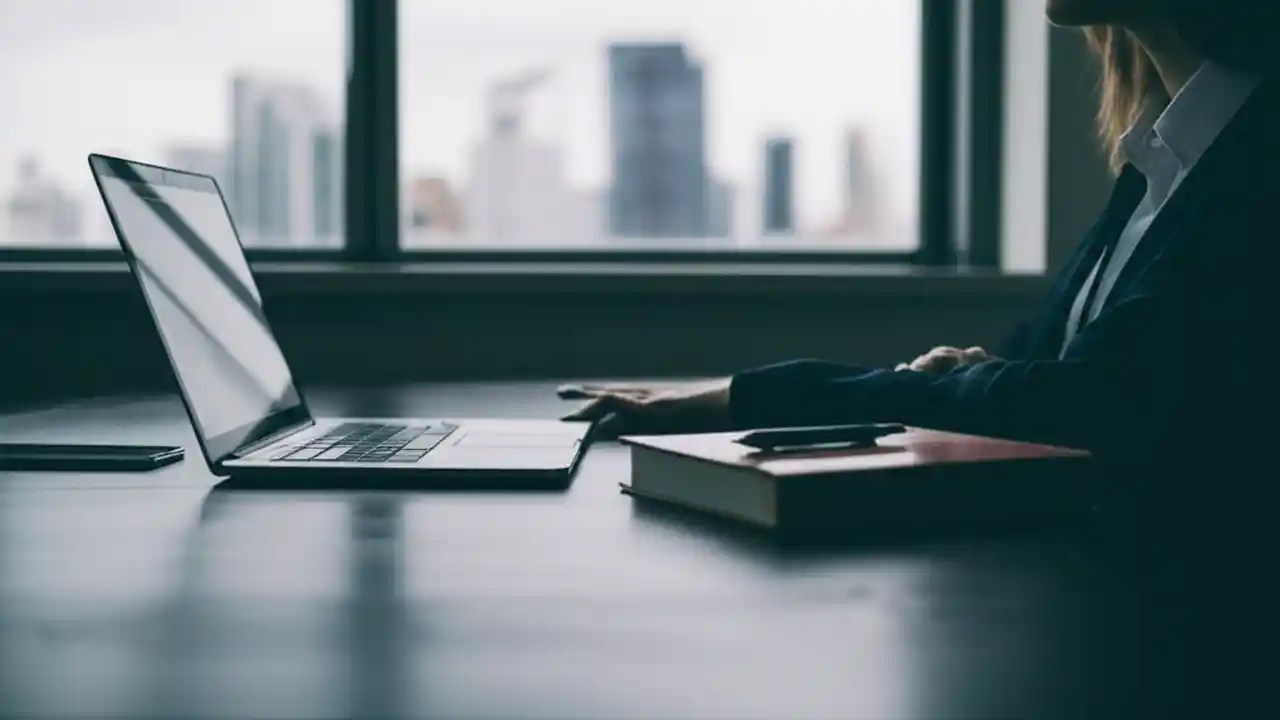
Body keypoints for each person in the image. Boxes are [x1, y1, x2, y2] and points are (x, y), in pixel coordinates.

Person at [562, 0, 1280, 462]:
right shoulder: (1165, 156)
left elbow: (1084, 401)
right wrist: (976, 375)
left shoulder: (1255, 166)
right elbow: (1043, 366)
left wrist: (746, 399)